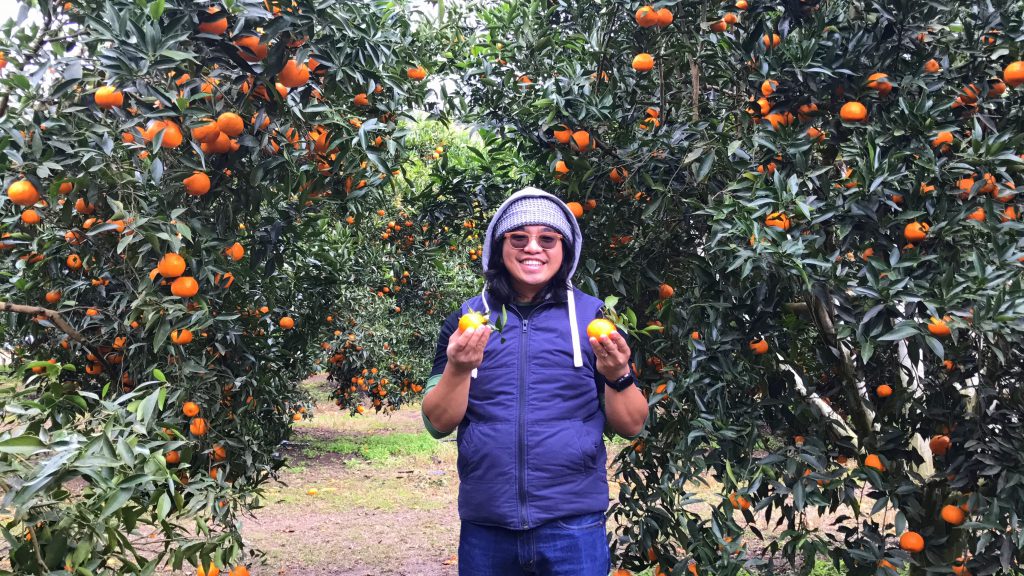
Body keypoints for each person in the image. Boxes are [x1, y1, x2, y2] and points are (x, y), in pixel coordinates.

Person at [421, 187, 649, 575]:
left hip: (573, 524)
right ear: (498, 246)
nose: (533, 248)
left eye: (548, 238)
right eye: (518, 238)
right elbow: (437, 423)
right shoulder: (468, 320)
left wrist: (618, 376)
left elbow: (633, 425)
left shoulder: (595, 320)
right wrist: (459, 368)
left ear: (565, 250)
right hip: (487, 524)